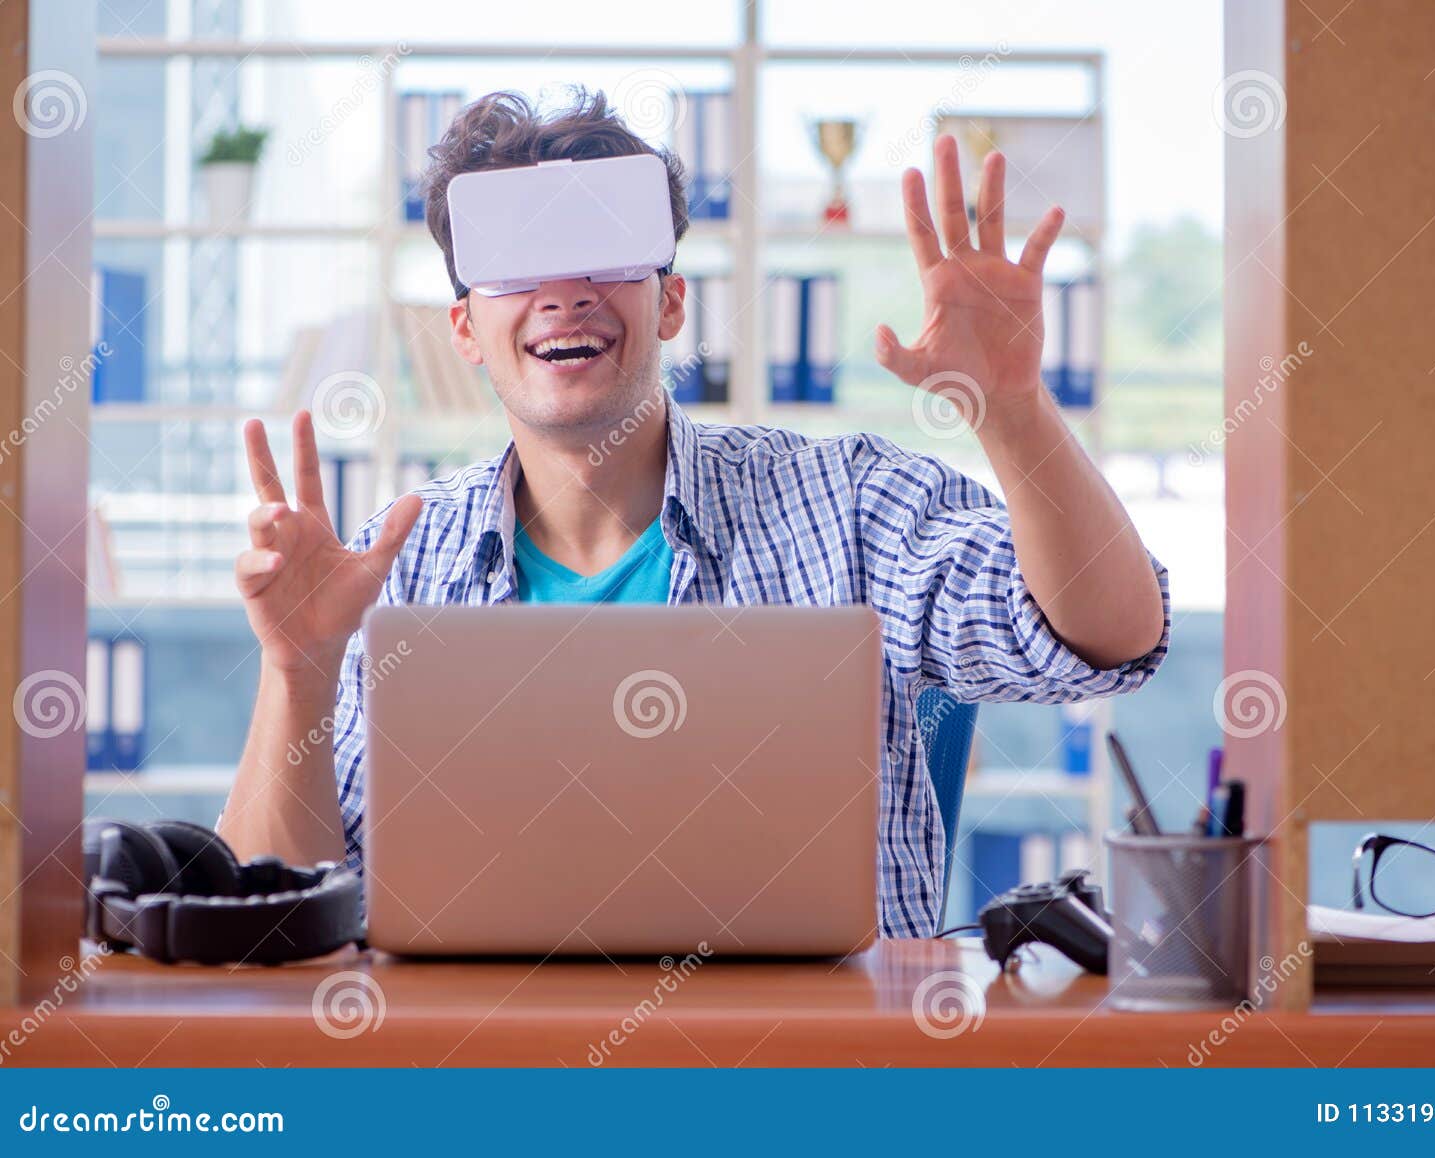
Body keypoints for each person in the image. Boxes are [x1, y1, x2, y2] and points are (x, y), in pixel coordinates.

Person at [217, 88, 1170, 938]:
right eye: (519, 266)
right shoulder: (399, 564)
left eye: (601, 253)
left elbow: (1109, 635)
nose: (563, 293)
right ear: (464, 327)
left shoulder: (847, 504)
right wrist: (297, 673)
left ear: (671, 302)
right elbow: (272, 908)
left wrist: (1015, 413)